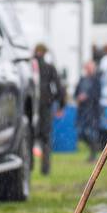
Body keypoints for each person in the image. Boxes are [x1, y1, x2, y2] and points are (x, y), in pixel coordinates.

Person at [33, 44, 66, 175]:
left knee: (29, 136)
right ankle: (45, 169)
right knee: (46, 138)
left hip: (30, 107)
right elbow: (59, 87)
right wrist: (60, 105)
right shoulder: (49, 68)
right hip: (45, 106)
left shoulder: (31, 68)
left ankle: (27, 169)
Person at [74, 60, 103, 162]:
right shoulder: (82, 80)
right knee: (82, 133)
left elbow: (97, 94)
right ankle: (94, 147)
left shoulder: (96, 80)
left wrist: (87, 97)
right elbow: (76, 92)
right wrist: (78, 97)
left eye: (91, 67)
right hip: (82, 111)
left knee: (92, 133)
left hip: (93, 111)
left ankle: (93, 154)